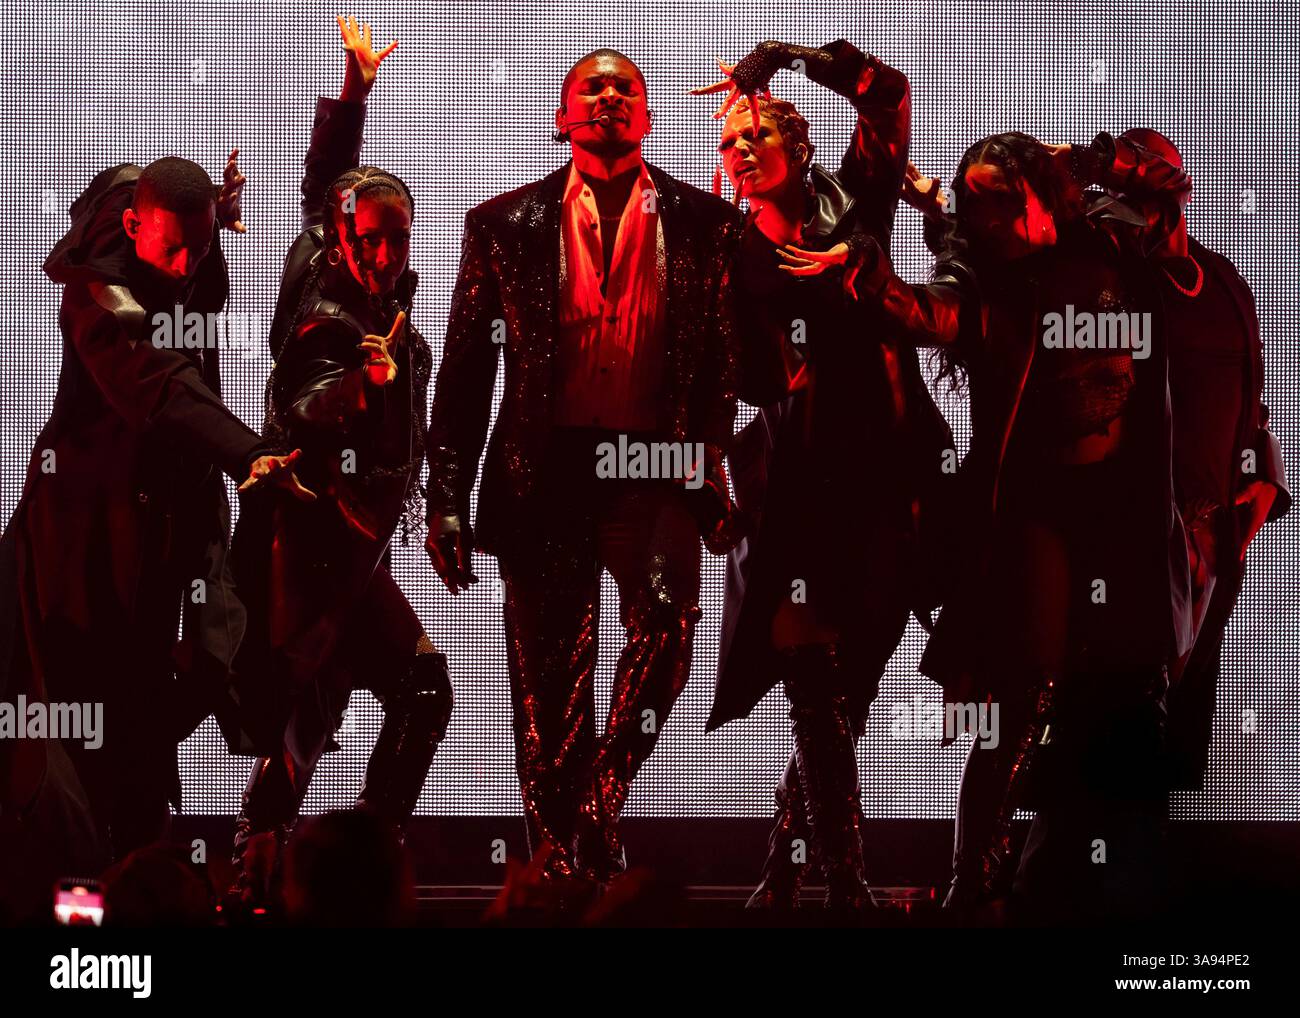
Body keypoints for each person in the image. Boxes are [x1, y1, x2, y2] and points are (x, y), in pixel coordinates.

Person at [852, 130, 1194, 919]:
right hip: (1037, 499)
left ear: (1039, 189)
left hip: (1122, 493)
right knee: (1021, 690)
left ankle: (1080, 879)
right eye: (975, 203)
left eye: (1001, 196)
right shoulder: (983, 276)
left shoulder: (1111, 236)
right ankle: (975, 881)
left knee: (1122, 686)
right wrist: (876, 281)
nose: (987, 214)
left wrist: (939, 192)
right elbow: (931, 314)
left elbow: (1152, 226)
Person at [426, 47, 742, 882]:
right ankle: (559, 866)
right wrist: (445, 498)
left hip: (656, 463)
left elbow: (720, 366)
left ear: (647, 115)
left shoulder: (709, 223)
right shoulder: (503, 224)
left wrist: (707, 462)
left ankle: (602, 798)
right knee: (548, 692)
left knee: (668, 626)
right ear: (562, 115)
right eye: (591, 89)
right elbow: (464, 374)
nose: (609, 97)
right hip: (547, 464)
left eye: (625, 89)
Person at [0, 142, 309, 912]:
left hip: (168, 526)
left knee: (205, 670)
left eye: (198, 251)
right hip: (81, 542)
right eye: (173, 249)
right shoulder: (95, 296)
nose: (184, 268)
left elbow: (187, 324)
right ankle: (84, 910)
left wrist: (210, 226)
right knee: (76, 734)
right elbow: (161, 388)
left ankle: (129, 866)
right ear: (133, 225)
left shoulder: (162, 226)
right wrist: (250, 452)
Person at [690, 39, 953, 909]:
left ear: (802, 150)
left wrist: (797, 59)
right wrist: (704, 479)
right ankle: (846, 884)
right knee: (813, 681)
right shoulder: (725, 253)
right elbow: (705, 377)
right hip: (791, 496)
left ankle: (781, 865)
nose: (742, 147)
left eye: (759, 131)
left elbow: (889, 101)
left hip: (886, 483)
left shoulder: (860, 206)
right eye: (729, 140)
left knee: (851, 690)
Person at [222, 17, 451, 904]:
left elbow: (326, 184)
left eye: (400, 237)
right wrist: (358, 386)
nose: (389, 255)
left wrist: (354, 96)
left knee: (351, 705)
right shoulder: (328, 316)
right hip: (310, 554)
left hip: (354, 554)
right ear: (342, 238)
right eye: (373, 237)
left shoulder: (331, 256)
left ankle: (321, 857)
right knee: (357, 698)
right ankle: (307, 864)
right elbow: (308, 399)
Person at [1104, 130, 1289, 793]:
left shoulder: (1225, 281)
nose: (1135, 215)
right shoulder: (1116, 284)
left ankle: (1159, 875)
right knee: (1121, 728)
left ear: (1175, 196)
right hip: (1139, 542)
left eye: (1146, 199)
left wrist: (1266, 484)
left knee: (1184, 732)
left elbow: (1254, 399)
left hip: (1219, 539)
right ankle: (1077, 878)